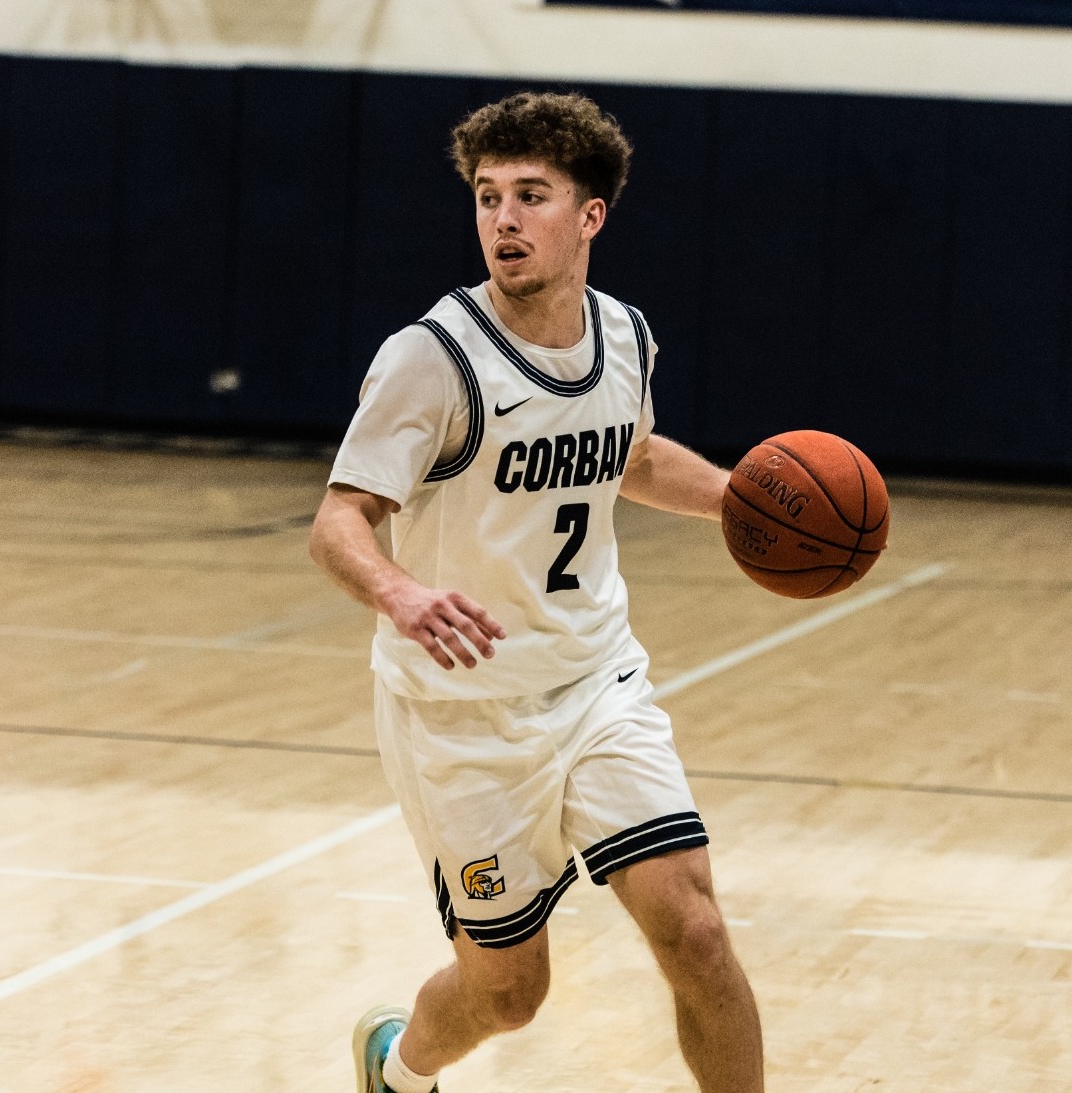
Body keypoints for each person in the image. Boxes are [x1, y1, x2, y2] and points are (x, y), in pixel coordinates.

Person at [311, 91, 765, 1093]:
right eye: (487, 197)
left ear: (589, 215)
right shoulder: (430, 359)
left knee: (694, 928)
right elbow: (338, 522)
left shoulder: (624, 334)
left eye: (531, 196)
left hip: (596, 683)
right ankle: (399, 1066)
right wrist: (401, 595)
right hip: (461, 716)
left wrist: (740, 499)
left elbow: (628, 457)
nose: (504, 219)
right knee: (511, 993)